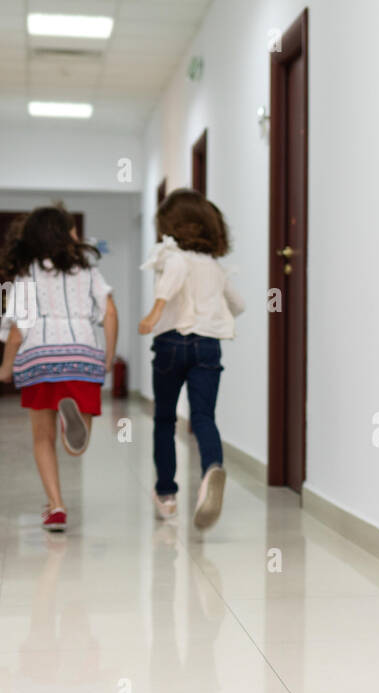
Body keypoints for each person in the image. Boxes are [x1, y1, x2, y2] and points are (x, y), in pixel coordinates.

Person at [0, 205, 117, 531]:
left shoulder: (27, 274)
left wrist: (6, 367)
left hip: (39, 356)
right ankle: (73, 422)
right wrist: (107, 359)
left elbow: (18, 330)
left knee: (41, 438)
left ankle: (57, 506)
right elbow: (111, 314)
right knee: (76, 445)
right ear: (64, 234)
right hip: (83, 353)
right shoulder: (88, 270)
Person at [138, 189, 245, 529]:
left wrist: (154, 314)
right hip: (208, 346)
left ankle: (167, 495)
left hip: (172, 343)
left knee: (165, 419)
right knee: (203, 418)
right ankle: (212, 467)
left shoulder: (173, 257)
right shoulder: (214, 266)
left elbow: (172, 280)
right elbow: (238, 304)